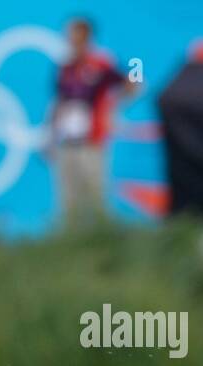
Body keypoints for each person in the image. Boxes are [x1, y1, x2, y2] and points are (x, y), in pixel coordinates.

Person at [48, 17, 138, 227]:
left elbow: (133, 83)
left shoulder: (101, 63)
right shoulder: (65, 67)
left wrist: (111, 108)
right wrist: (51, 136)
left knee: (97, 198)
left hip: (93, 142)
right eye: (69, 37)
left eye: (76, 37)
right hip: (68, 142)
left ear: (87, 37)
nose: (72, 41)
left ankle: (102, 244)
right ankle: (70, 247)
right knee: (67, 203)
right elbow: (59, 102)